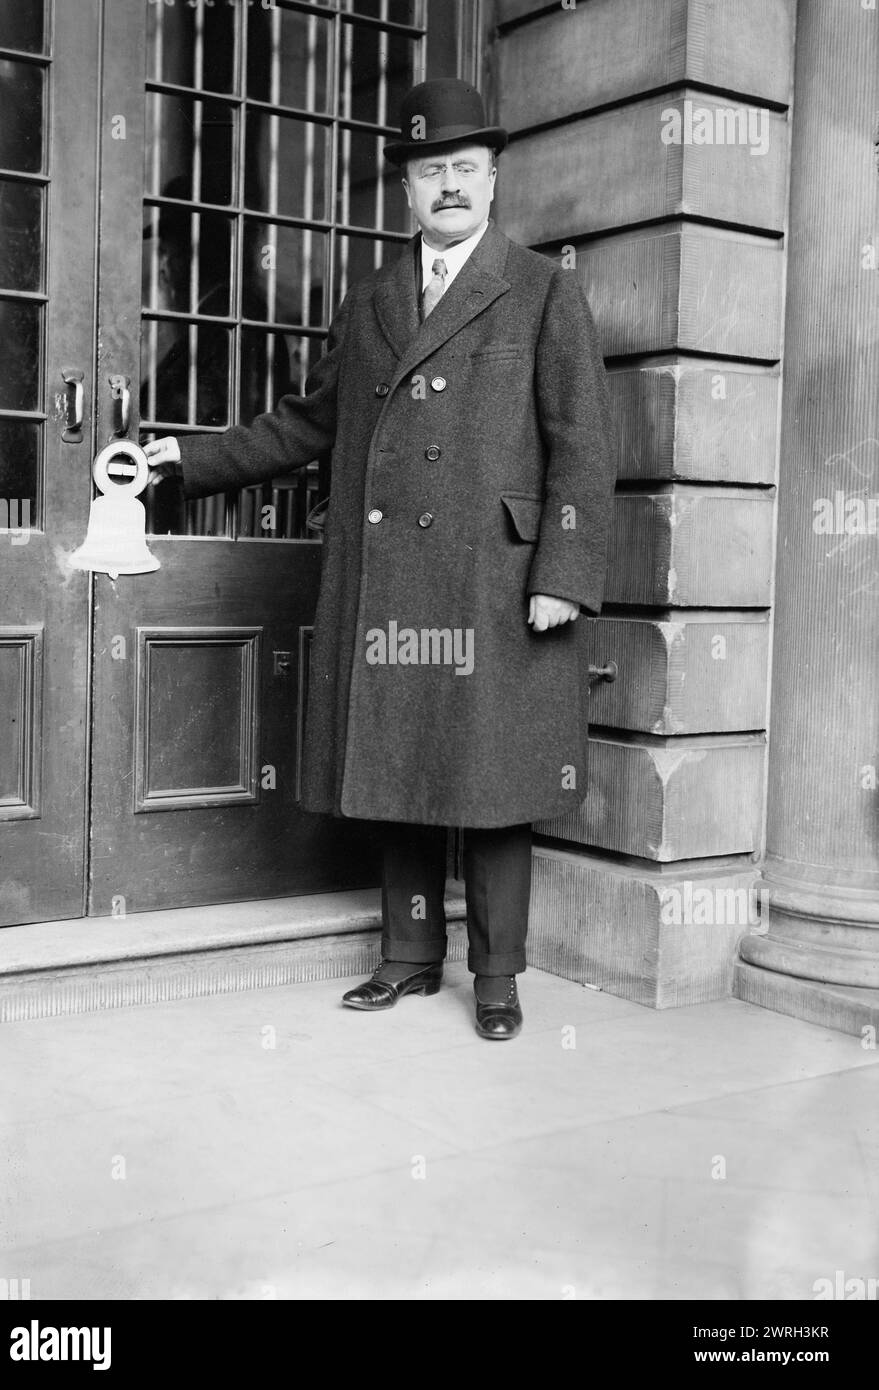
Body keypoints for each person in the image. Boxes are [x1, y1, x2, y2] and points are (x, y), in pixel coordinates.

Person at [145, 79, 616, 1041]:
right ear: (404, 189)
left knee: (489, 785)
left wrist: (563, 575)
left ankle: (495, 976)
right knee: (399, 765)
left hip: (494, 579)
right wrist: (188, 462)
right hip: (390, 579)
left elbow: (581, 444)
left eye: (465, 169)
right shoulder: (369, 301)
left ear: (492, 181)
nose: (448, 185)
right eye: (430, 170)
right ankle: (406, 956)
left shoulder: (541, 289)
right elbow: (310, 424)